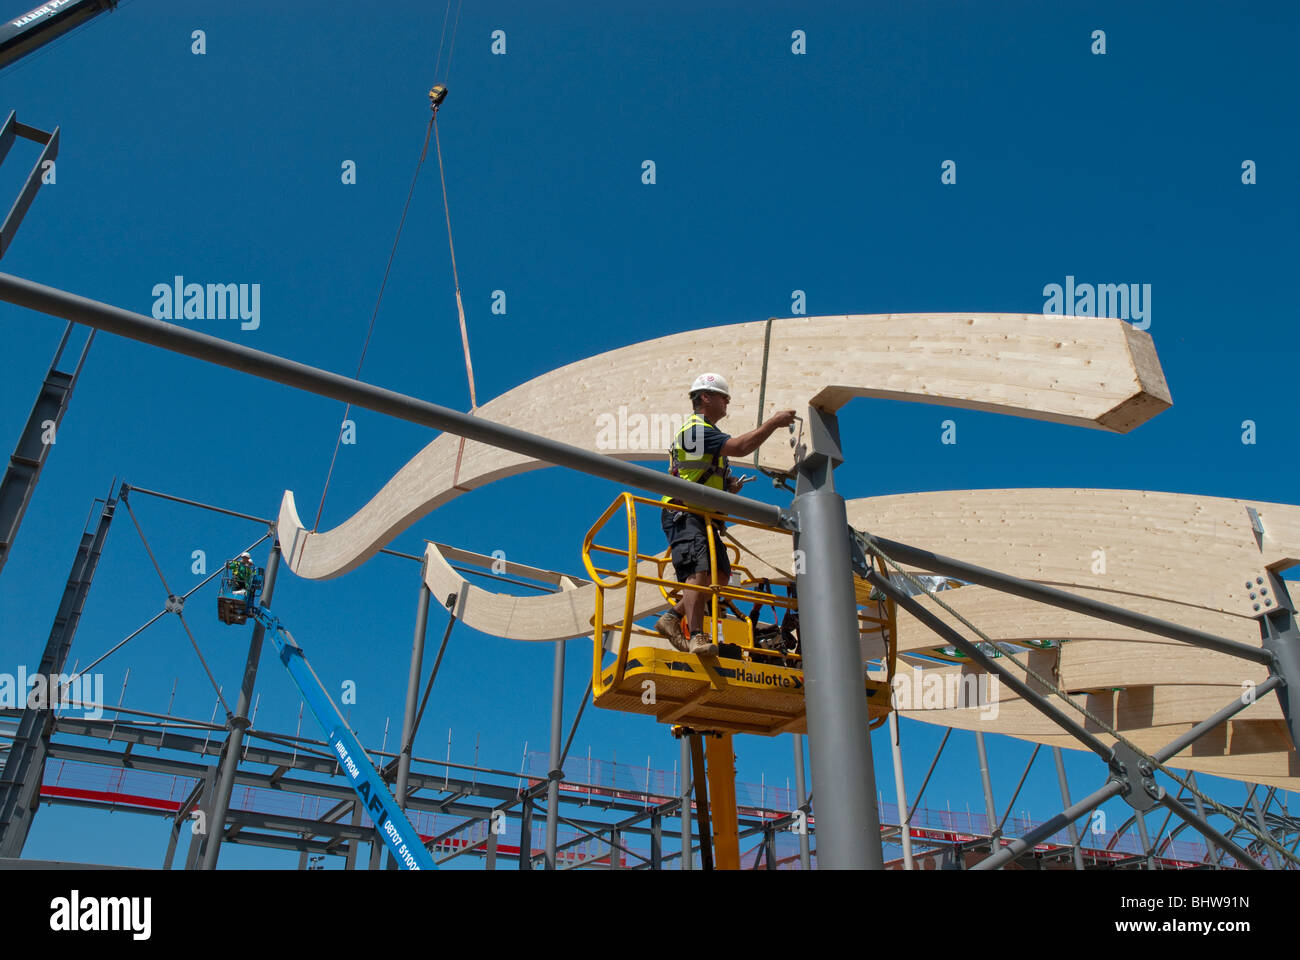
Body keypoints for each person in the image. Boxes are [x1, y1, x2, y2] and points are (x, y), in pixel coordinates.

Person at [657, 373, 796, 655]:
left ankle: (672, 618)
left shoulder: (704, 434)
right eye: (724, 397)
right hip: (684, 512)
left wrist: (727, 487)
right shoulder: (697, 430)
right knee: (698, 573)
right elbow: (742, 447)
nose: (727, 403)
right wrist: (773, 423)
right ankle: (696, 635)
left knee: (720, 576)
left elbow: (699, 472)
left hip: (702, 515)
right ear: (706, 397)